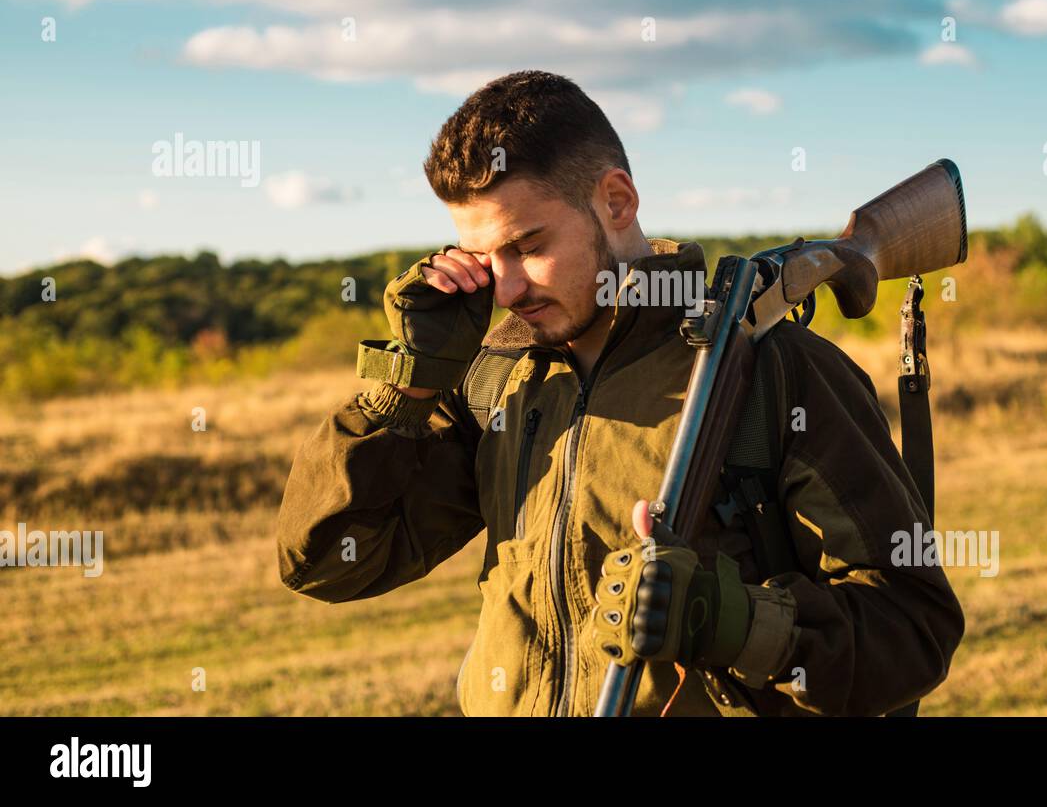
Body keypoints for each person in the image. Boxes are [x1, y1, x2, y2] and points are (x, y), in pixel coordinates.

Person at [276, 70, 964, 716]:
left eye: (527, 245)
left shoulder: (771, 369)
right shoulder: (496, 380)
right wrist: (409, 388)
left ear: (616, 201)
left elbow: (913, 628)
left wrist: (731, 622)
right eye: (485, 259)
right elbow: (329, 564)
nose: (506, 288)